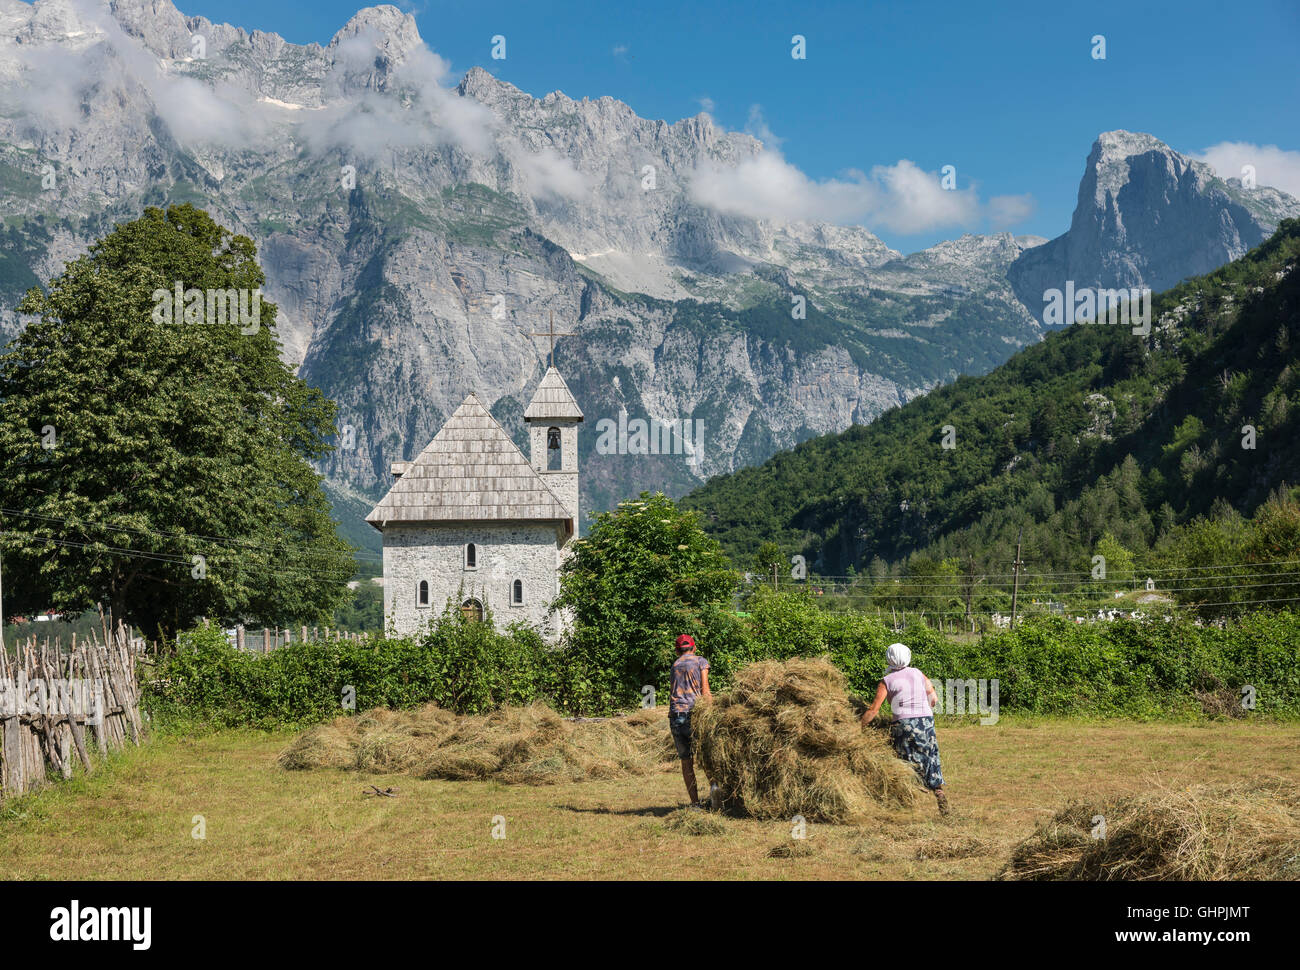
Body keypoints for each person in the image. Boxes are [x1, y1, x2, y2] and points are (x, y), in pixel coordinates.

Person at [860, 642, 950, 816]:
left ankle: (913, 789)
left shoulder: (887, 681)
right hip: (926, 721)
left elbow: (873, 710)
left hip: (904, 723)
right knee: (930, 757)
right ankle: (938, 791)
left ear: (889, 658)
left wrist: (857, 728)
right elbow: (934, 700)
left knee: (903, 759)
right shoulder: (918, 673)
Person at [667, 633, 712, 808]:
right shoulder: (701, 661)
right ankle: (716, 799)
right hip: (695, 715)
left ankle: (695, 804)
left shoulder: (675, 665)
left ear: (677, 651)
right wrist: (712, 712)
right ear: (694, 647)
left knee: (686, 761)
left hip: (677, 715)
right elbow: (705, 689)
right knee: (708, 758)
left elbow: (673, 692)